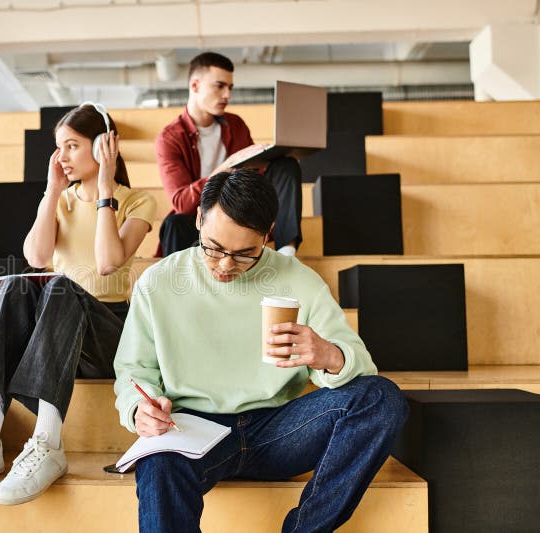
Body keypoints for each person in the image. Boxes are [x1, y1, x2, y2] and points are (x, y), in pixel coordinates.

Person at [114, 169, 408, 532]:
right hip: (192, 429)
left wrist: (328, 355)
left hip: (279, 429)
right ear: (198, 220)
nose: (225, 265)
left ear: (268, 235)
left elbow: (362, 368)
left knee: (382, 398)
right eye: (214, 248)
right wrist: (138, 408)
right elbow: (133, 371)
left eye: (245, 254)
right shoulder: (158, 282)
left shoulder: (298, 279)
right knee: (157, 462)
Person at [0, 103, 157, 506]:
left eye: (72, 146)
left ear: (105, 145)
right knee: (13, 287)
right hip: (58, 337)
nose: (62, 157)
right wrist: (53, 190)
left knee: (60, 288)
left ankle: (48, 442)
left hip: (109, 335)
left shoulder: (136, 202)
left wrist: (105, 189)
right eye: (59, 148)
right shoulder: (61, 199)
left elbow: (109, 262)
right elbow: (37, 256)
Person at [156, 51, 303, 257]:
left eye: (230, 88)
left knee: (286, 166)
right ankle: (181, 280)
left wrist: (270, 156)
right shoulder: (170, 137)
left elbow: (255, 176)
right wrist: (223, 170)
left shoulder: (236, 125)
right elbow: (181, 203)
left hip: (239, 212)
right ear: (195, 85)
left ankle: (287, 252)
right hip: (200, 221)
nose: (228, 95)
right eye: (220, 86)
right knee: (174, 223)